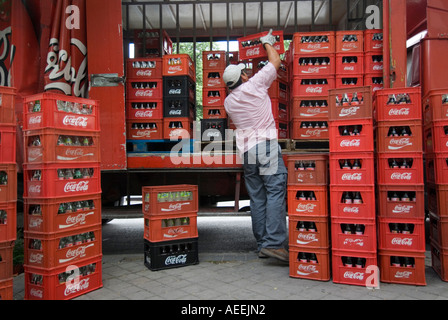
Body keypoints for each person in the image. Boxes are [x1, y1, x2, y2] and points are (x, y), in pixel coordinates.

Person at [223, 29, 288, 263]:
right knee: (275, 192)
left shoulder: (228, 102)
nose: (248, 74)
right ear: (241, 78)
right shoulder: (255, 85)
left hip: (248, 153)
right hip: (266, 147)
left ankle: (262, 244)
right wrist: (267, 42)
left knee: (257, 198)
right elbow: (276, 61)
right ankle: (275, 244)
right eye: (244, 73)